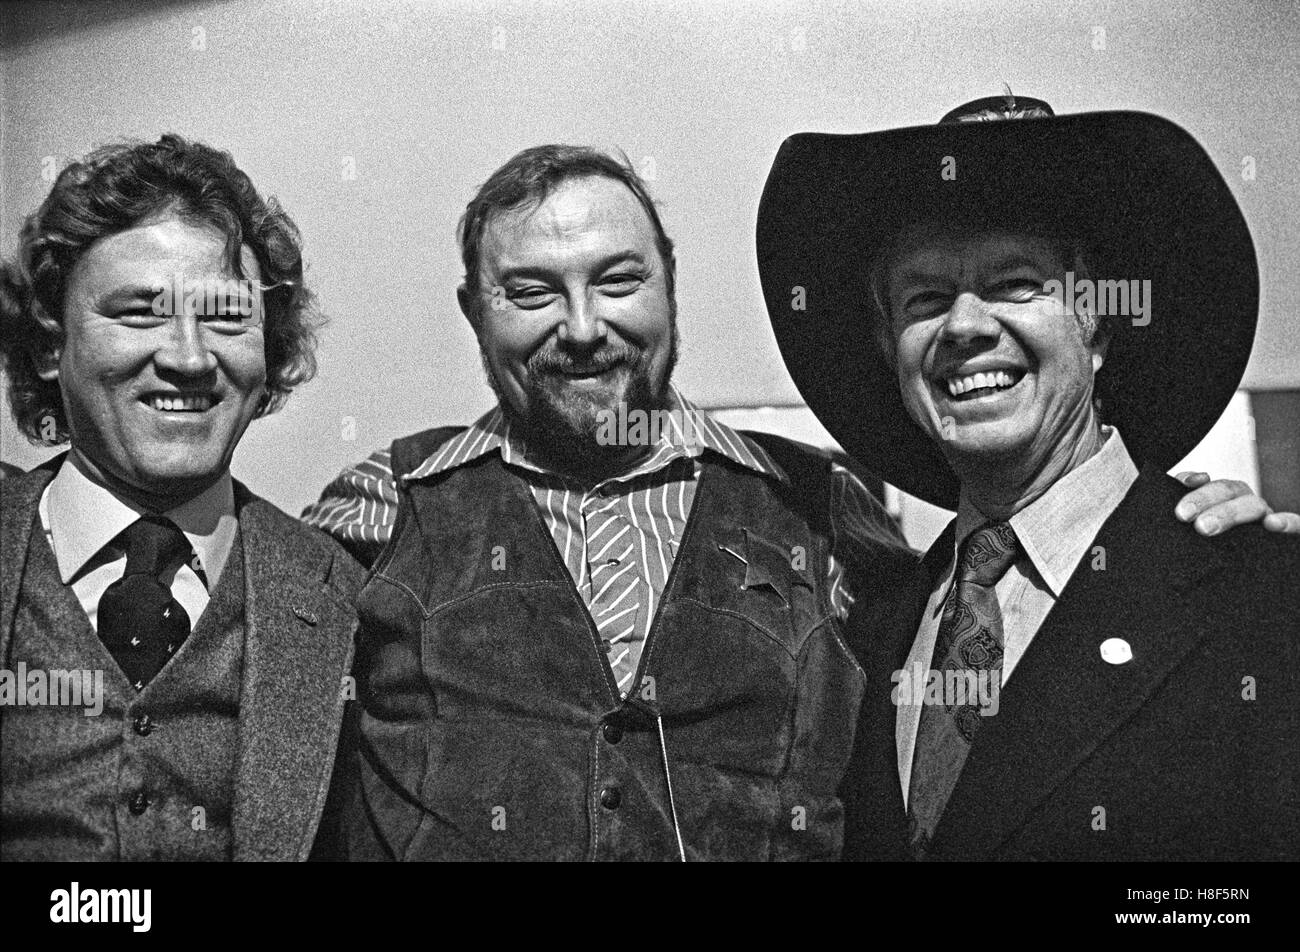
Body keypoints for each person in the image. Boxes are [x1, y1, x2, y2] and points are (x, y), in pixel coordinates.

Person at [306, 143, 1282, 861]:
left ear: (671, 289)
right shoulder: (376, 507)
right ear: (475, 308)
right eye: (530, 290)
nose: (583, 326)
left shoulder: (828, 513)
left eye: (617, 279)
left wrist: (1174, 544)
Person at [757, 94, 1300, 860]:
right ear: (889, 348)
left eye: (1016, 284)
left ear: (1097, 322)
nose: (966, 325)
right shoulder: (870, 636)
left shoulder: (1267, 598)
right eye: (926, 299)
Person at [0, 135, 364, 861]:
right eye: (138, 312)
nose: (189, 358)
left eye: (228, 318)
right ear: (49, 345)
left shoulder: (348, 600)